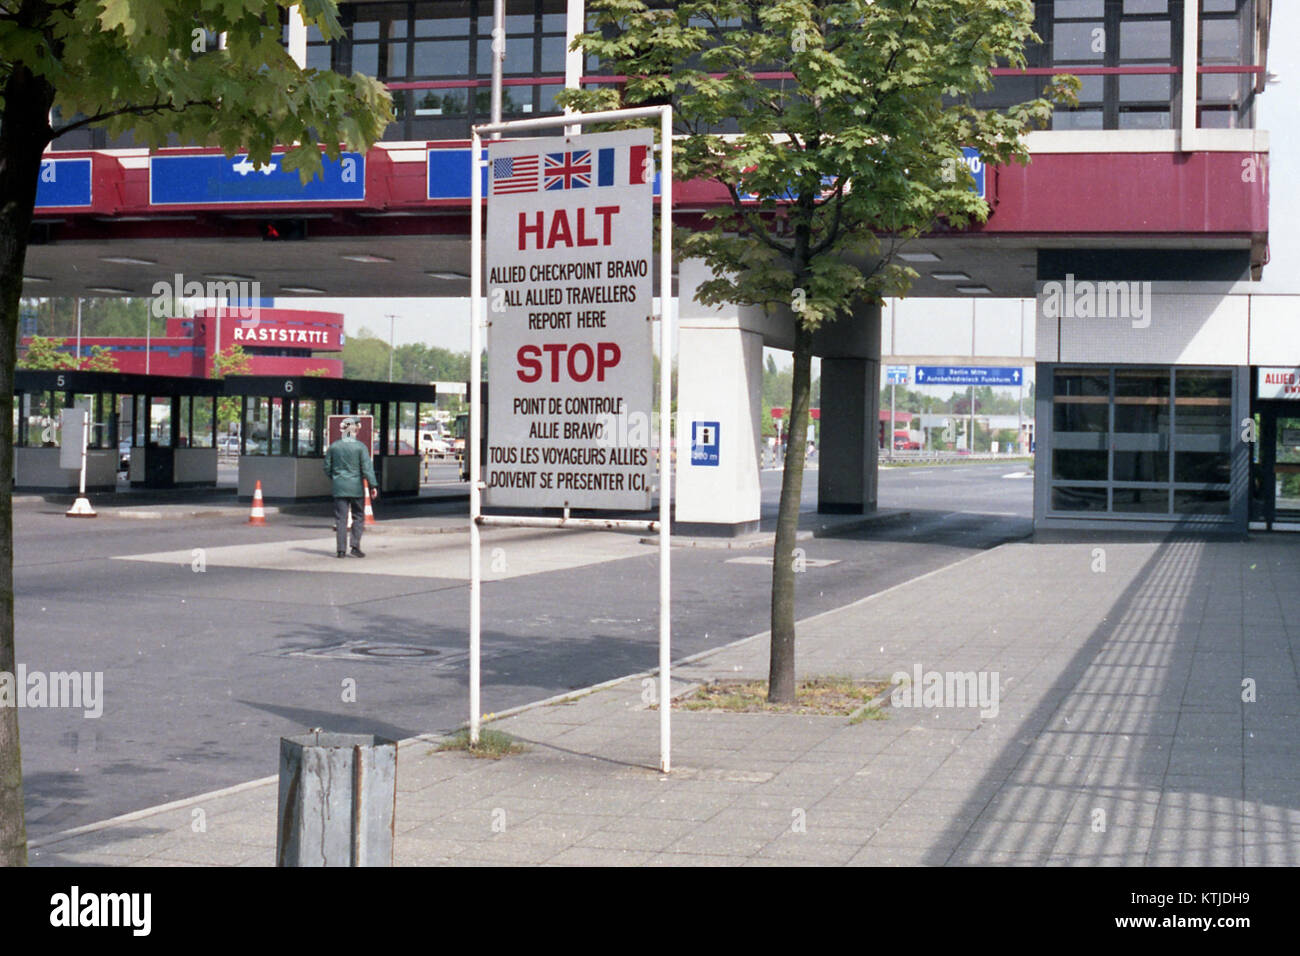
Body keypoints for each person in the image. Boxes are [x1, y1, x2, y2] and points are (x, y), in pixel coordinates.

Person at [324, 417, 378, 558]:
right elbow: (367, 468)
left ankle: (340, 550)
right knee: (358, 516)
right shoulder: (360, 447)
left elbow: (327, 467)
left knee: (341, 519)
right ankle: (355, 546)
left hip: (339, 487)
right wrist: (373, 485)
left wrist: (336, 478)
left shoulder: (334, 446)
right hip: (356, 488)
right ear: (355, 429)